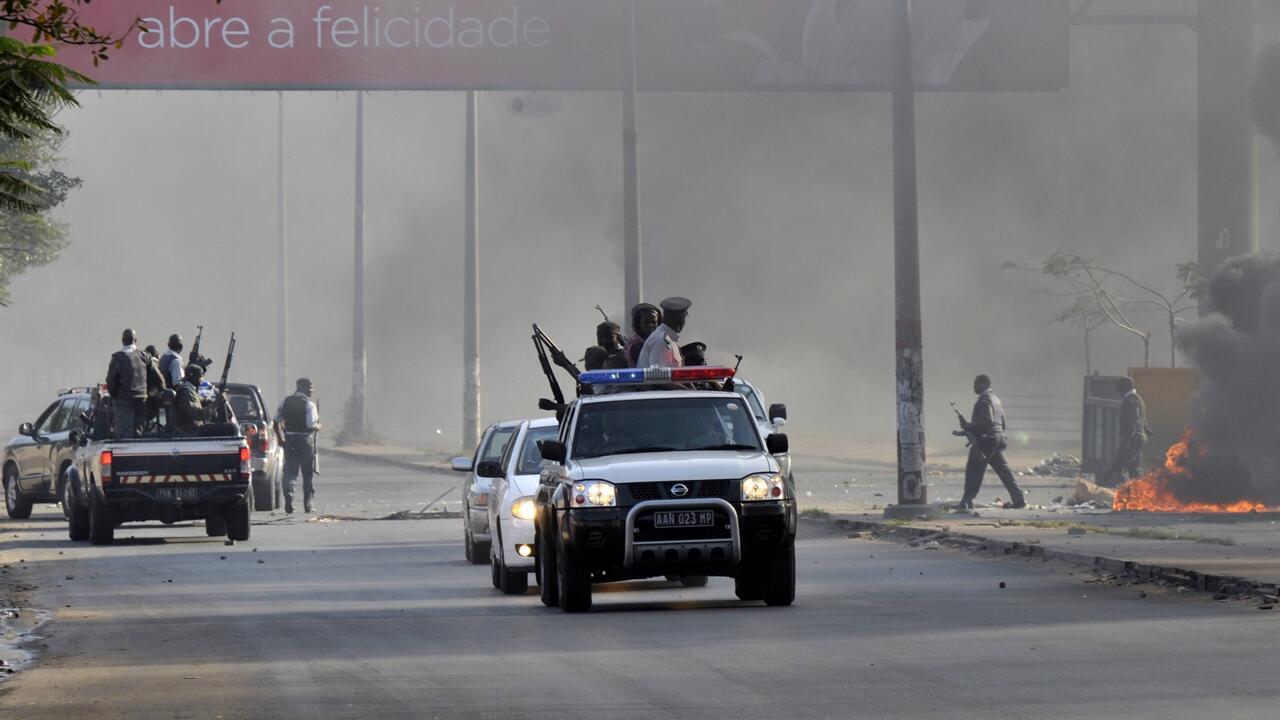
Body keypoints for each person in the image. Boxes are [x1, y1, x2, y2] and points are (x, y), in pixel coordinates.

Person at [956, 374, 1026, 510]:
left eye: (976, 384)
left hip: (986, 439)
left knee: (974, 470)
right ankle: (1019, 499)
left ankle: (966, 501)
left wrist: (969, 426)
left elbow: (986, 421)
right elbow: (1003, 421)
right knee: (1004, 471)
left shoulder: (984, 399)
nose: (974, 387)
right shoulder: (996, 399)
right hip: (998, 438)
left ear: (984, 383)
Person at [275, 377, 321, 514]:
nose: (310, 393)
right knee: (307, 474)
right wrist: (319, 426)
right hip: (305, 441)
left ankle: (289, 495)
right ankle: (308, 504)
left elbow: (275, 421)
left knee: (290, 472)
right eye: (309, 390)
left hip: (289, 440)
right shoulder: (310, 405)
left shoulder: (285, 401)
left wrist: (279, 438)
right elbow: (311, 425)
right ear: (302, 388)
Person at [1102, 377, 1149, 487]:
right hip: (1138, 438)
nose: (1119, 393)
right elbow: (1144, 422)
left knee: (1120, 467)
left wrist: (1127, 442)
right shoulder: (1138, 399)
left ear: (1124, 388)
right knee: (1134, 467)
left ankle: (1126, 492)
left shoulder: (1131, 401)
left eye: (1119, 390)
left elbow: (1133, 421)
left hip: (1133, 439)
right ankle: (1140, 492)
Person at [106, 329, 149, 439]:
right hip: (142, 398)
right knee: (138, 432)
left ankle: (127, 456)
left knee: (124, 435)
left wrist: (114, 395)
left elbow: (111, 381)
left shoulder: (117, 358)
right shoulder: (144, 356)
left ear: (122, 340)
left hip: (124, 399)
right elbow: (157, 377)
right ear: (135, 340)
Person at [636, 297, 691, 369]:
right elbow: (661, 377)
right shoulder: (661, 341)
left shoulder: (668, 338)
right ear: (680, 319)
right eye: (684, 316)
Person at [173, 364, 212, 435]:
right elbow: (198, 414)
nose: (202, 380)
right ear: (192, 376)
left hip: (195, 429)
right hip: (191, 431)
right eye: (200, 377)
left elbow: (201, 400)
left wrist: (212, 401)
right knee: (231, 428)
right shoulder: (185, 392)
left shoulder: (190, 390)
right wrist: (216, 403)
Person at [624, 303, 661, 367]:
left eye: (653, 322)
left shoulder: (659, 340)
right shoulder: (637, 346)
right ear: (638, 324)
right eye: (646, 322)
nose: (650, 325)